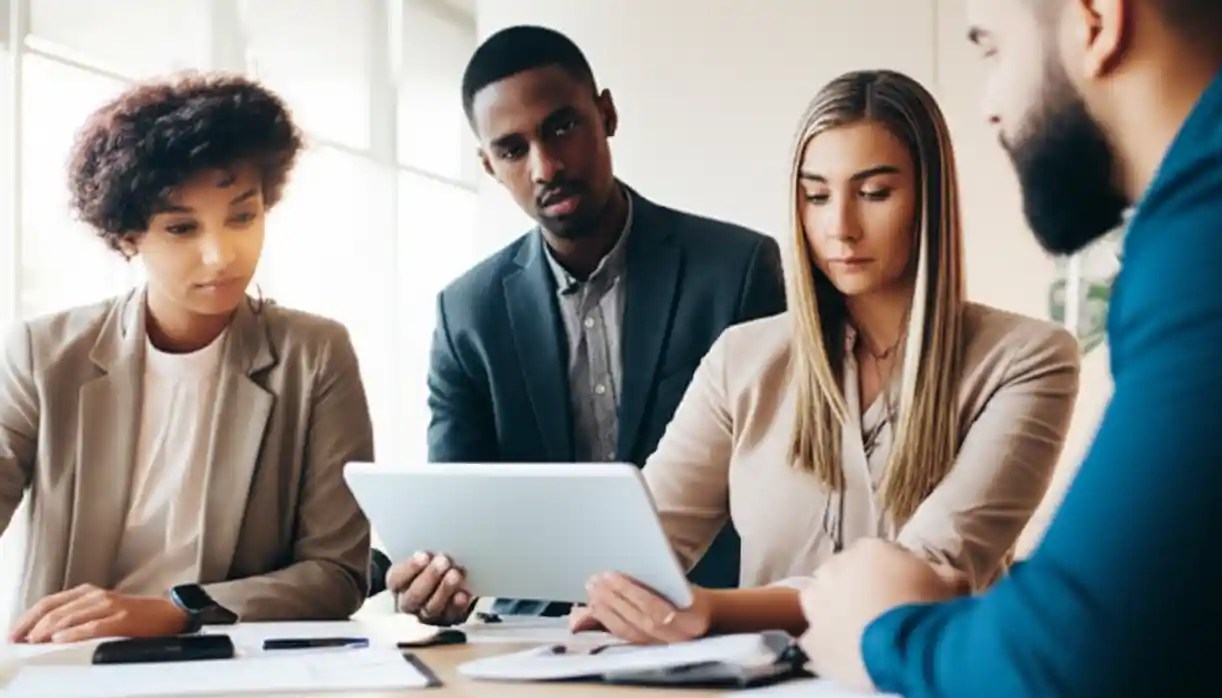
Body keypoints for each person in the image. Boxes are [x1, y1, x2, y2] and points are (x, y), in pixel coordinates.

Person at [798, 1, 1222, 698]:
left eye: (992, 51)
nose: (989, 106)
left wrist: (884, 631)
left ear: (1097, 21)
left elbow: (1078, 663)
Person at [570, 69, 1081, 643]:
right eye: (816, 196)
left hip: (922, 696)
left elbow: (920, 575)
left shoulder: (1029, 359)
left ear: (929, 201)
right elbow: (640, 545)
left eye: (873, 193)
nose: (840, 227)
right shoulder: (741, 360)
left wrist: (717, 609)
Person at [387, 25, 786, 624]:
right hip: (535, 634)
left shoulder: (737, 270)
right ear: (488, 165)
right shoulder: (465, 314)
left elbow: (782, 483)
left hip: (705, 622)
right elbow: (459, 518)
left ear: (607, 113)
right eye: (512, 149)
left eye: (562, 127)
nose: (545, 165)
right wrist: (434, 581)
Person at [0, 73, 375, 644]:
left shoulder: (315, 355)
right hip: (69, 666)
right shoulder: (44, 353)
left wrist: (179, 611)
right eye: (181, 227)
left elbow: (337, 574)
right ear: (128, 237)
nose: (220, 254)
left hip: (235, 665)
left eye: (242, 217)